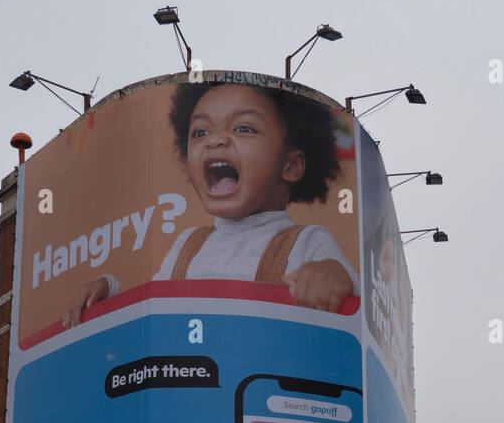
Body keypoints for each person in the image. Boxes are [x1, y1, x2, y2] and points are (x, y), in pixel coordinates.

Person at [64, 82, 359, 328]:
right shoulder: (187, 244)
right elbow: (151, 308)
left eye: (243, 128)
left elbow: (345, 284)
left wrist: (331, 275)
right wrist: (109, 289)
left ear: (291, 165)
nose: (215, 140)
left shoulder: (305, 241)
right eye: (200, 132)